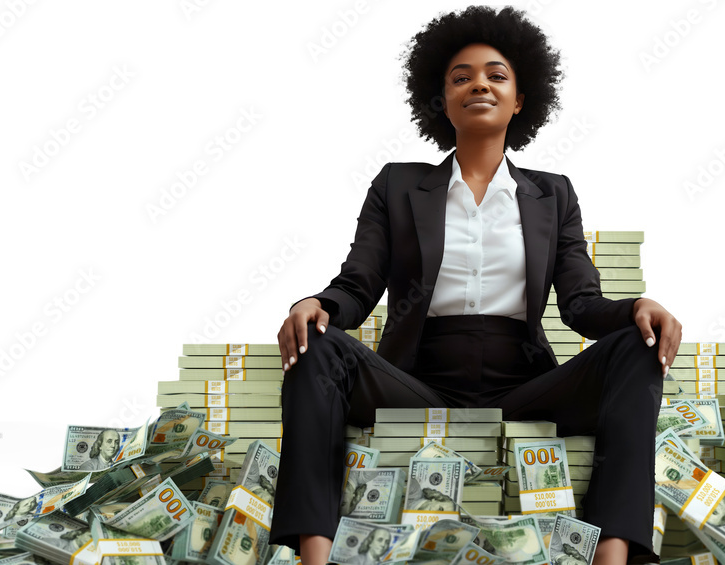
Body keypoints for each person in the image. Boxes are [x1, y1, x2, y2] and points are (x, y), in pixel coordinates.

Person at [270, 6, 681, 565]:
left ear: (520, 99)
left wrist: (639, 307)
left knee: (639, 346)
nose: (479, 83)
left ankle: (611, 552)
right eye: (461, 77)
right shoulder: (397, 185)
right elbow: (359, 283)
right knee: (316, 346)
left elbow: (581, 305)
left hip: (523, 385)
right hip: (417, 383)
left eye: (496, 74)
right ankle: (314, 554)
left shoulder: (553, 194)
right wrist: (315, 303)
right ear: (441, 100)